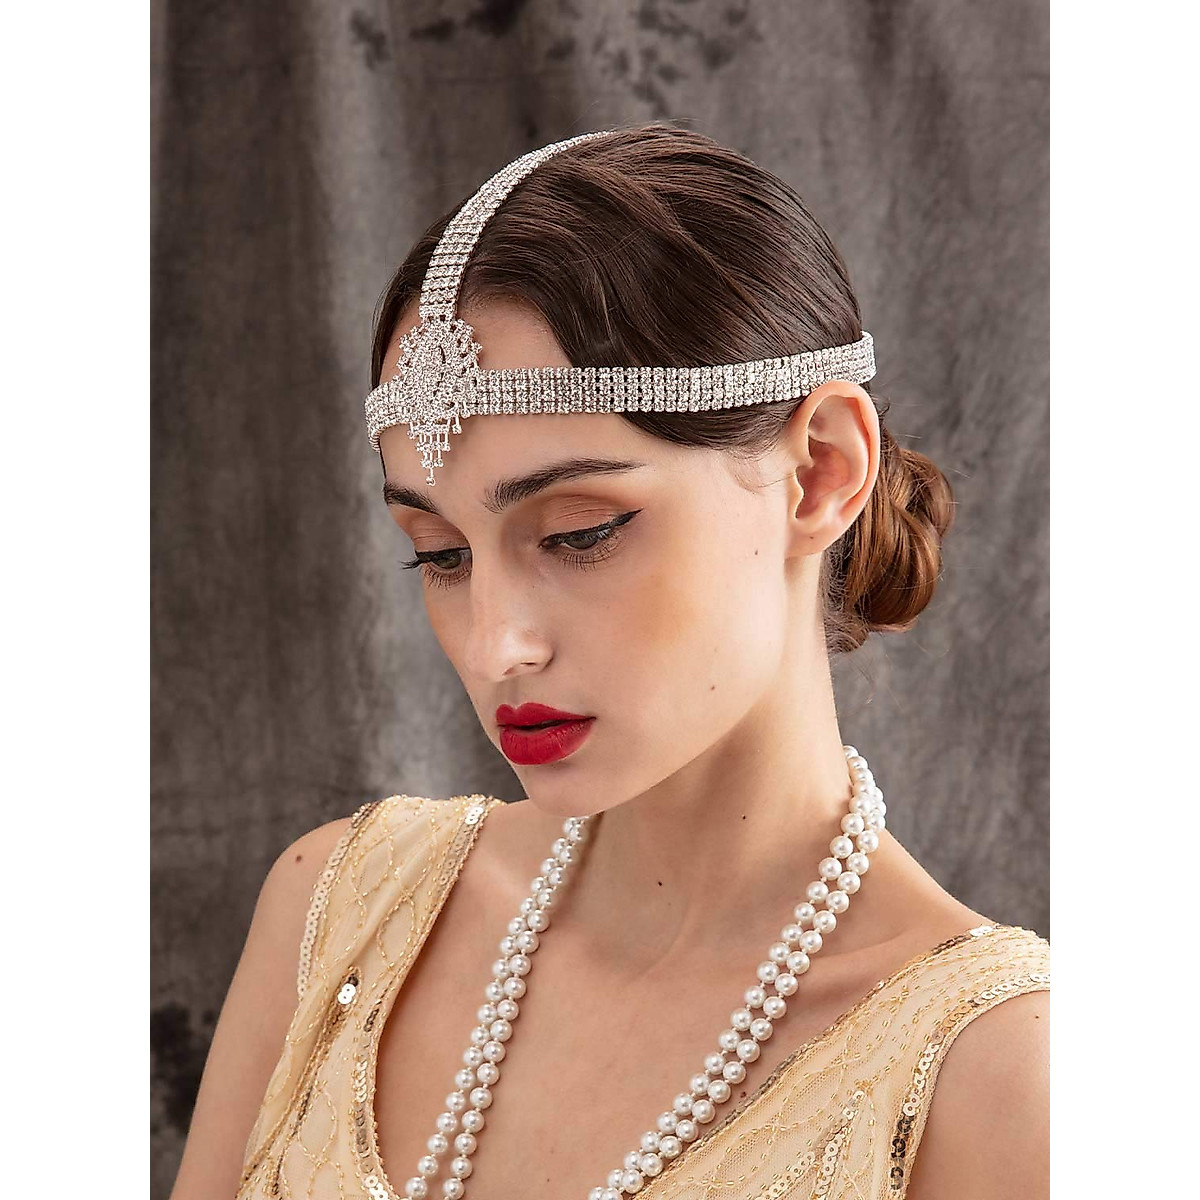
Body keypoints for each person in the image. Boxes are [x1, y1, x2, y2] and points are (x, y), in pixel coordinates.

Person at [170, 122, 1049, 1200]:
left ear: (821, 472)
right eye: (439, 554)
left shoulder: (1002, 1079)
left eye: (579, 533)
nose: (495, 646)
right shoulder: (335, 914)